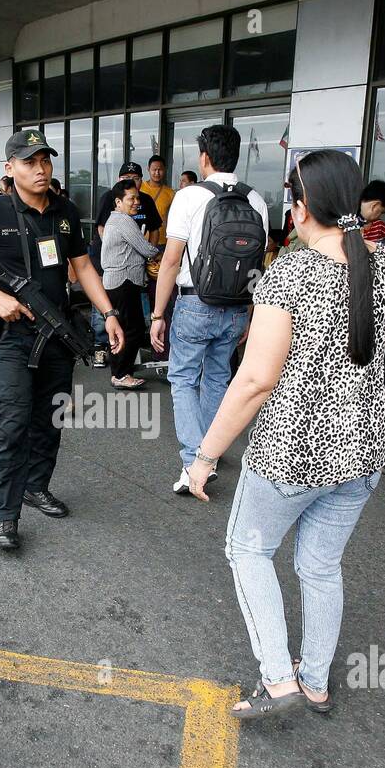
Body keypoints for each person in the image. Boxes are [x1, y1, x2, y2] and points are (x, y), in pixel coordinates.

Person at [185, 149, 385, 717]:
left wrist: (204, 456)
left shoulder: (292, 271)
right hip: (367, 444)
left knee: (248, 549)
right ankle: (316, 681)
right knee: (321, 566)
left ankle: (278, 680)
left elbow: (255, 379)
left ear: (301, 209)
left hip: (293, 446)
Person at [0, 128, 124, 551]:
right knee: (10, 424)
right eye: (30, 161)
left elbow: (82, 267)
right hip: (14, 337)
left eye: (45, 160)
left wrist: (110, 313)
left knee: (51, 418)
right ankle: (6, 516)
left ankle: (36, 486)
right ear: (10, 168)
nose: (41, 168)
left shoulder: (64, 211)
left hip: (58, 337)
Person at [149, 124, 270, 495]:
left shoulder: (189, 198)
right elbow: (258, 264)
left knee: (183, 378)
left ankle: (193, 461)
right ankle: (209, 454)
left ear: (205, 157)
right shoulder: (257, 201)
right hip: (236, 307)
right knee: (218, 377)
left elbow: (170, 262)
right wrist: (250, 312)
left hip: (195, 302)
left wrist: (157, 315)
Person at [100, 178, 160, 389]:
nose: (136, 202)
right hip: (123, 283)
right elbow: (146, 249)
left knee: (122, 329)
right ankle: (121, 374)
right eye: (131, 198)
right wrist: (160, 254)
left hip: (119, 283)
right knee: (131, 329)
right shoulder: (123, 221)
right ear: (118, 201)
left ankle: (119, 371)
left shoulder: (114, 220)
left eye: (137, 197)